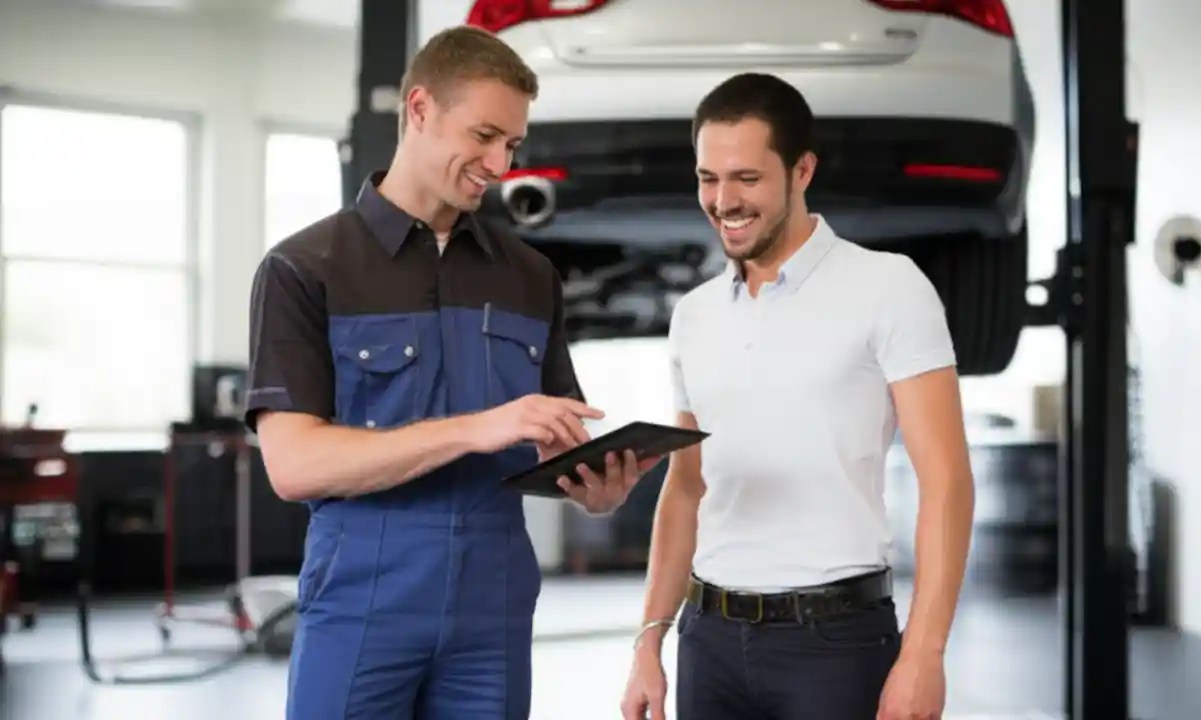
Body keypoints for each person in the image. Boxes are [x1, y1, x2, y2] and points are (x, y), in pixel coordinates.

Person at [245, 26, 658, 720]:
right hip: (361, 597)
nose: (499, 162)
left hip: (491, 606)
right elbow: (294, 465)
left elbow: (552, 441)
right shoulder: (304, 269)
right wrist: (478, 428)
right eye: (486, 135)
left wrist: (592, 488)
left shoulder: (530, 277)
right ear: (419, 109)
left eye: (514, 146)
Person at [619, 72, 976, 720]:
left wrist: (924, 654)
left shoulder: (888, 286)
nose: (723, 200)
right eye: (708, 178)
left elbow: (947, 482)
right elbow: (687, 488)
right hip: (710, 641)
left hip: (835, 644)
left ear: (802, 170)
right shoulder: (695, 315)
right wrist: (651, 638)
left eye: (746, 179)